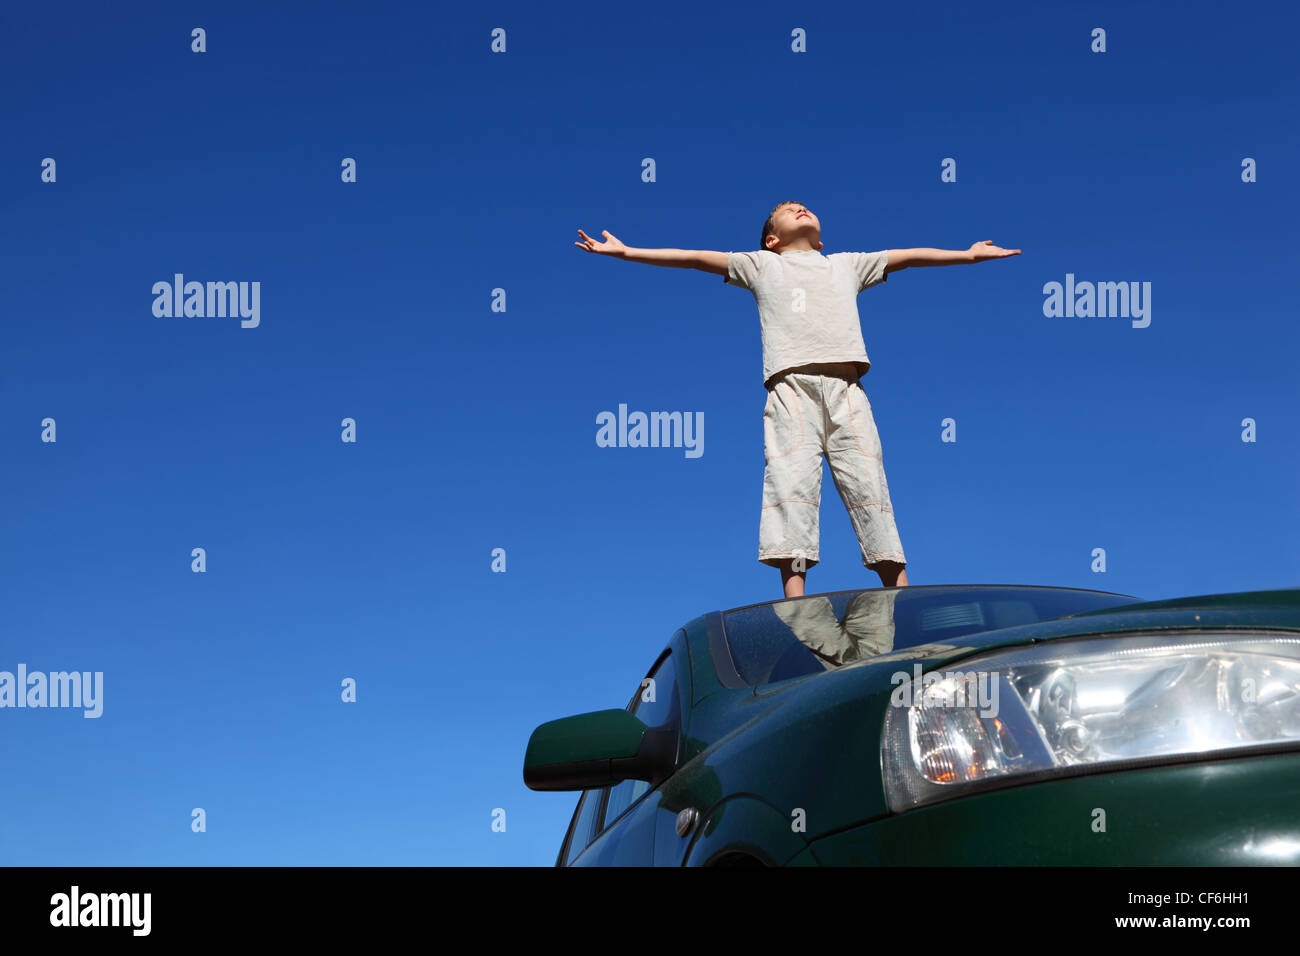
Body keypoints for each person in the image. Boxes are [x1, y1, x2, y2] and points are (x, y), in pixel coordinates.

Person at [575, 201, 1019, 597]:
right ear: (772, 239)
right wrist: (628, 251)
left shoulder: (846, 265)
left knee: (870, 486)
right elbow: (693, 259)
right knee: (791, 487)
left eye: (804, 207)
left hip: (848, 391)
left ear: (821, 237)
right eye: (788, 210)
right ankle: (797, 604)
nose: (799, 208)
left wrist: (967, 255)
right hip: (791, 391)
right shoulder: (759, 265)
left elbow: (908, 257)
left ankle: (900, 596)